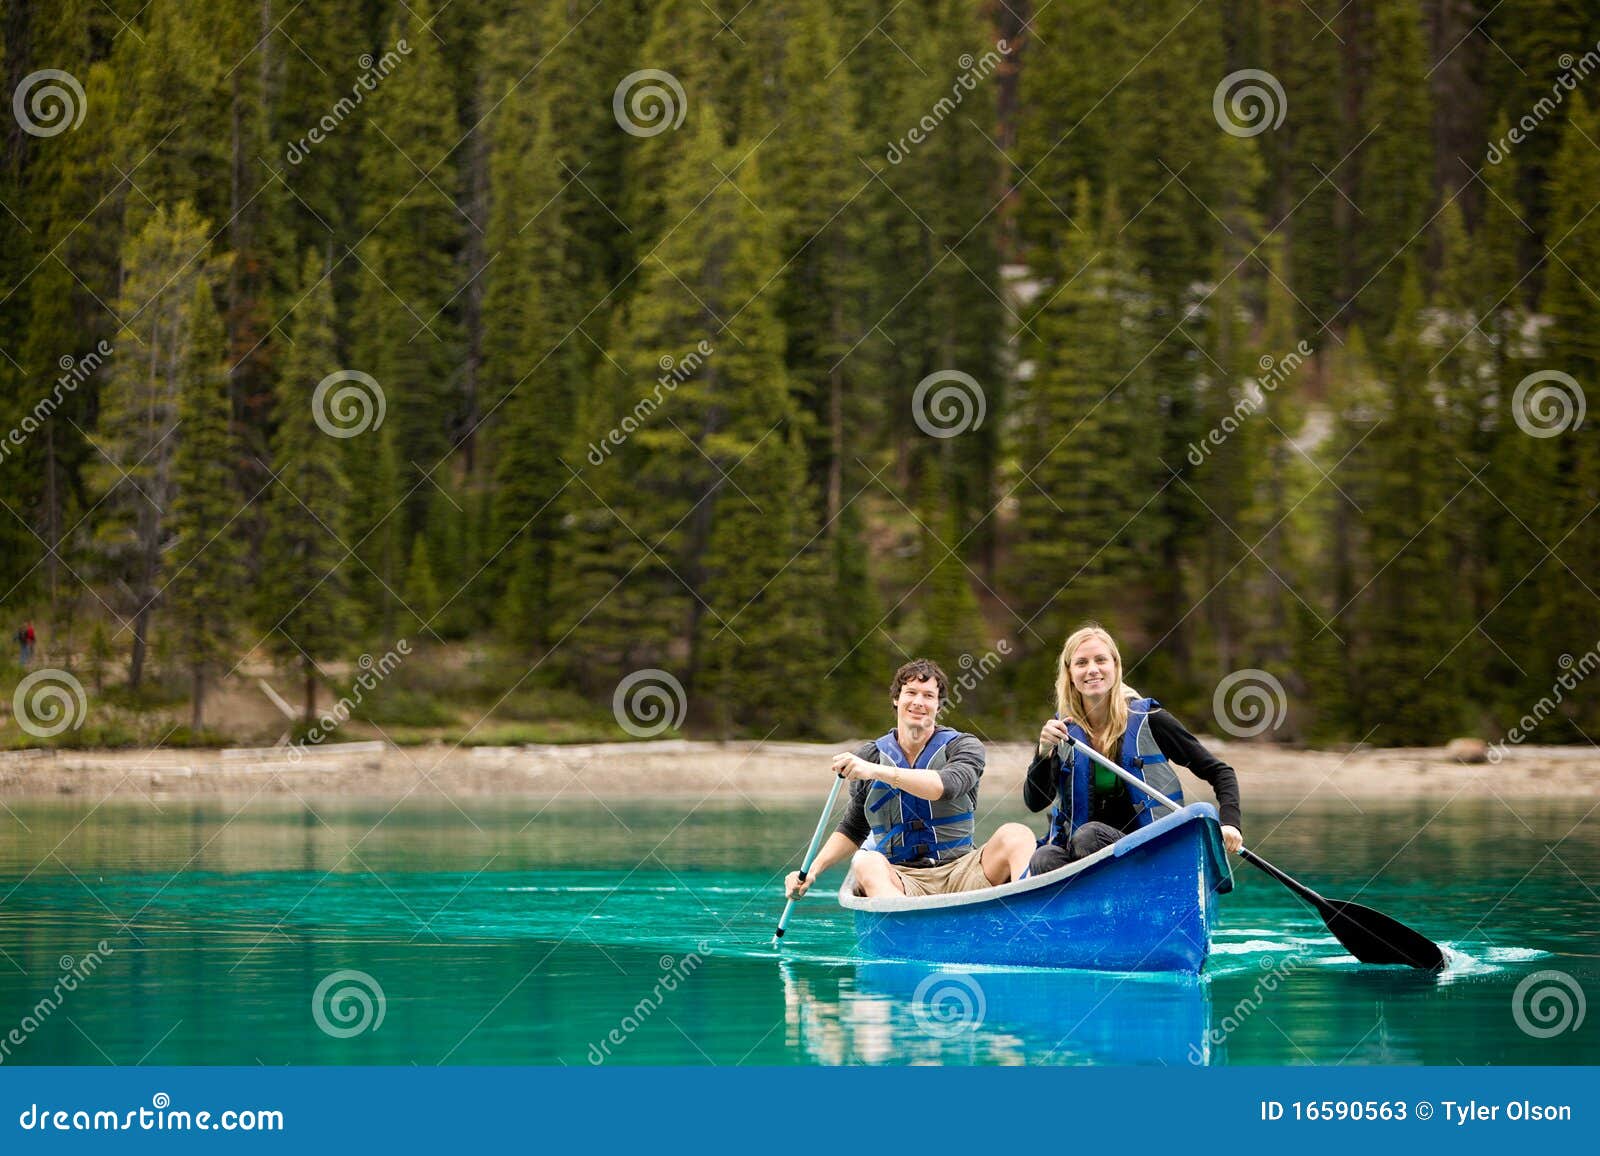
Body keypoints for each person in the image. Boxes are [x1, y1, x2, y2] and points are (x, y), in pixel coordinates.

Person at [784, 658, 1036, 900]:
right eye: (911, 693)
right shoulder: (871, 755)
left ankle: (1027, 914)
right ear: (896, 699)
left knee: (1017, 834)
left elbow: (945, 786)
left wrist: (875, 771)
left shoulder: (964, 746)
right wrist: (811, 872)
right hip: (902, 878)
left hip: (961, 871)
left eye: (928, 696)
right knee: (865, 861)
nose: (919, 702)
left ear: (939, 705)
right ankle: (904, 922)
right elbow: (854, 827)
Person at [1025, 624, 1243, 876]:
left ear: (1116, 667)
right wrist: (1043, 752)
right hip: (1083, 854)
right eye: (1081, 662)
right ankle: (1082, 910)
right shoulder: (1062, 732)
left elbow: (1220, 772)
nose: (1092, 669)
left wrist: (1230, 824)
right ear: (1070, 673)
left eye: (1101, 660)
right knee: (1043, 857)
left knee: (1088, 836)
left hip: (1149, 850)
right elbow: (1035, 802)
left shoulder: (1150, 719)